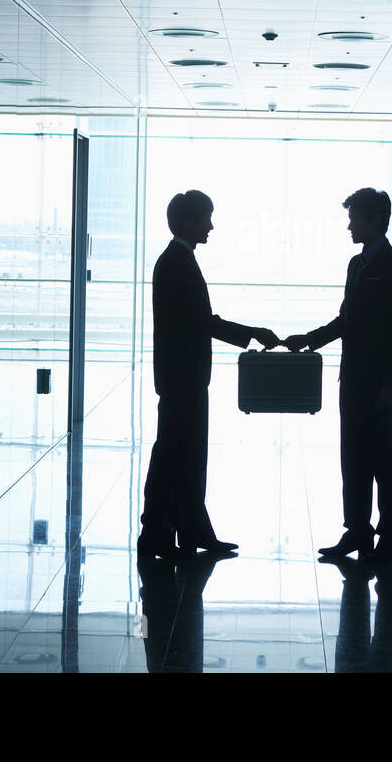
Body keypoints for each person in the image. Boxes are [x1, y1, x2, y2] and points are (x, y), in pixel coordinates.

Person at [138, 190, 280, 559]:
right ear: (190, 221)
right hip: (182, 378)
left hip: (183, 377)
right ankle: (159, 533)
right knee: (175, 454)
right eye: (207, 218)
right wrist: (251, 333)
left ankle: (185, 531)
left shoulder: (177, 260)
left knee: (182, 454)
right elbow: (201, 322)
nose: (212, 226)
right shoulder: (177, 263)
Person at [285, 188, 392, 564]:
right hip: (353, 380)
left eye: (355, 218)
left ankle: (391, 539)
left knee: (386, 462)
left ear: (376, 220)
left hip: (379, 384)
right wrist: (310, 340)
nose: (349, 225)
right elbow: (347, 321)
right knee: (354, 459)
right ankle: (356, 531)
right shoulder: (356, 265)